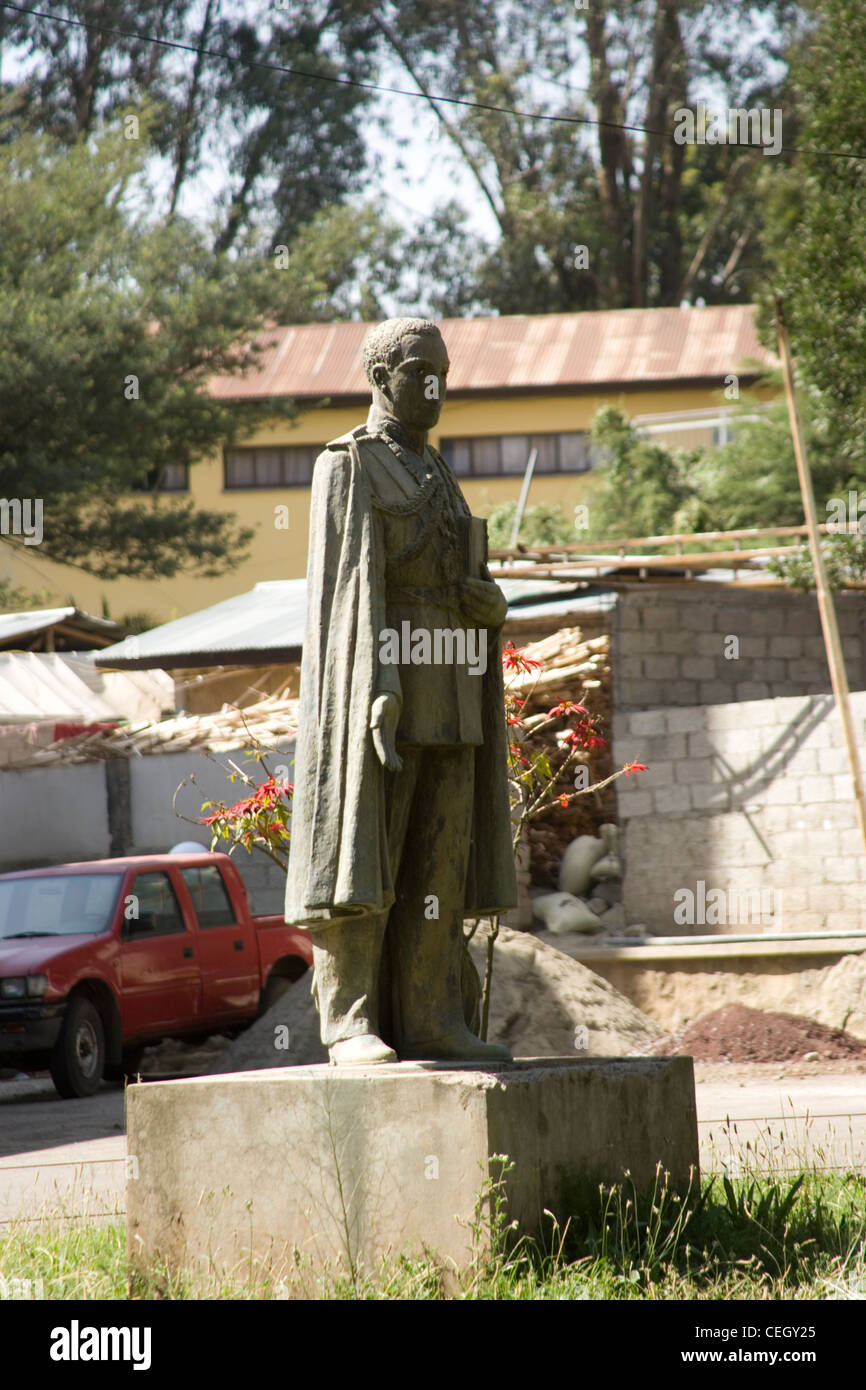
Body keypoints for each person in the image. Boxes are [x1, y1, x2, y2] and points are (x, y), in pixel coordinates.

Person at [285, 317, 517, 1065]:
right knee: (367, 850)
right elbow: (346, 595)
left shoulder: (440, 474)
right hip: (380, 692)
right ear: (381, 377)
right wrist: (373, 686)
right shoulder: (347, 466)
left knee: (438, 861)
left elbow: (460, 581)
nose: (434, 384)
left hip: (451, 687)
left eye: (442, 370)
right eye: (419, 369)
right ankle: (351, 1019)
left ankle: (430, 1017)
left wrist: (490, 607)